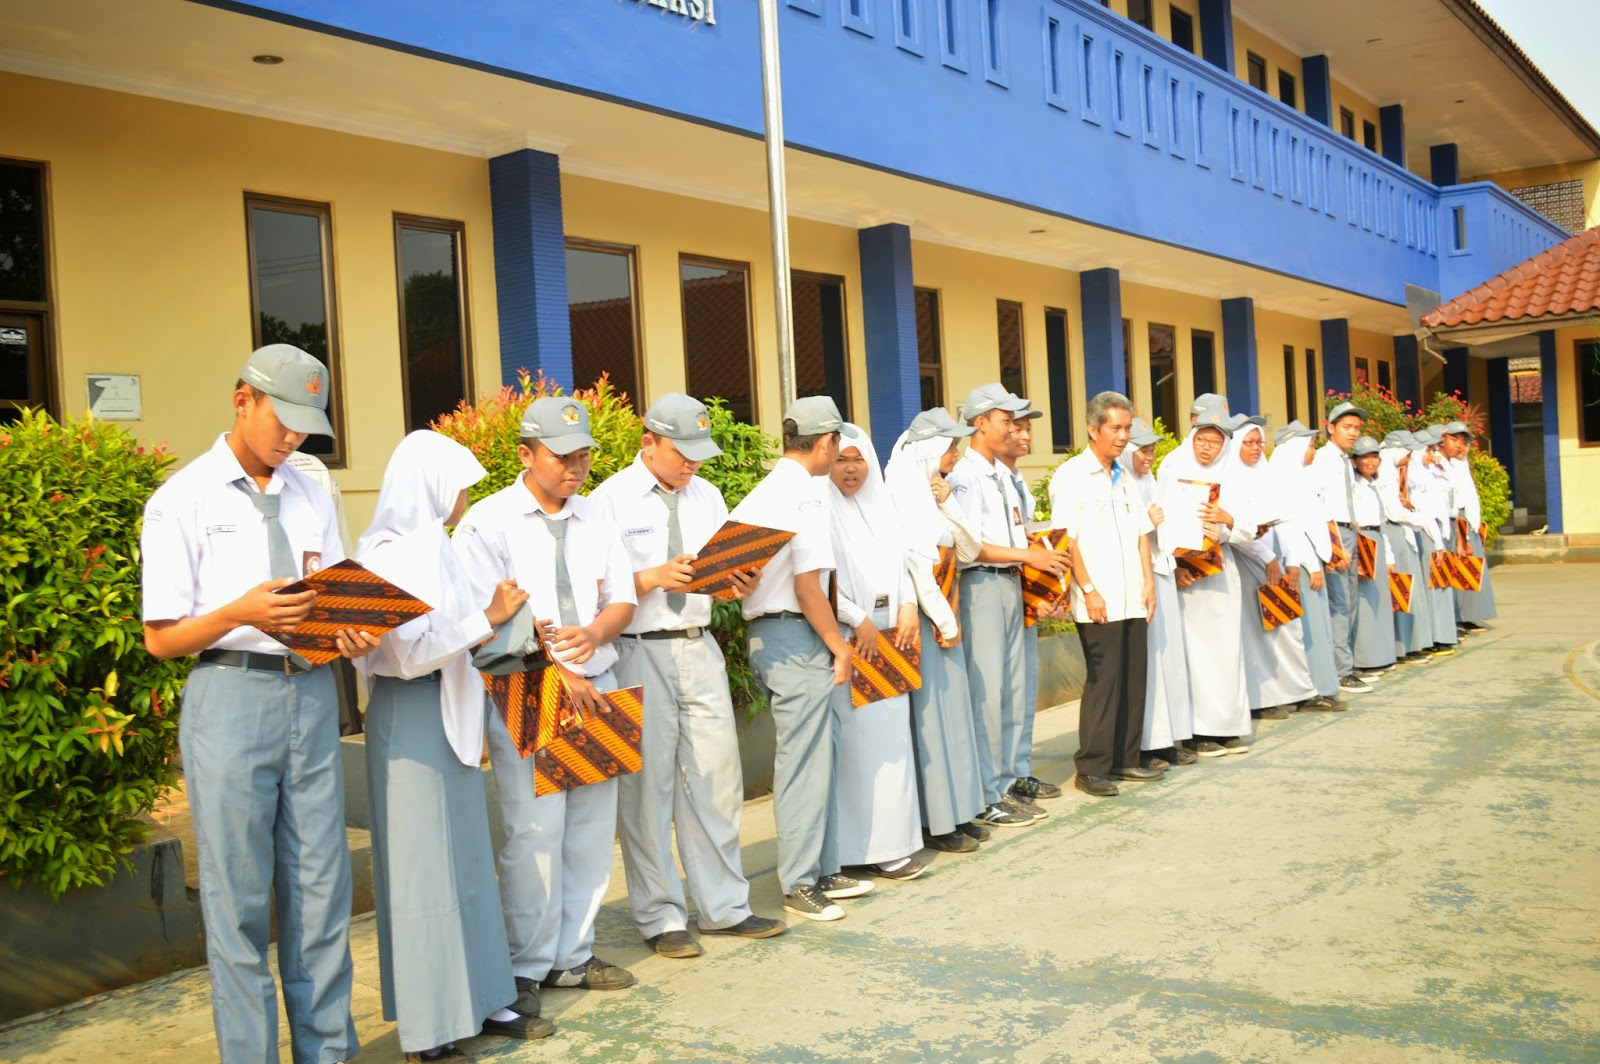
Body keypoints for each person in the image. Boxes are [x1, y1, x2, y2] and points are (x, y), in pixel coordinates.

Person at [140, 344, 379, 1063]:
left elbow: (329, 594)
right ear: (242, 400)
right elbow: (161, 638)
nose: (294, 438)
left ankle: (327, 1053)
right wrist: (241, 613)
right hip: (230, 696)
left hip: (310, 696)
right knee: (238, 904)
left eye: (308, 425)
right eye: (284, 418)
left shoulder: (311, 492)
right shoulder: (181, 499)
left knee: (320, 892)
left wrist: (352, 632)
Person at [355, 431, 551, 1058]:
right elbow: (406, 655)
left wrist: (512, 626)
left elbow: (463, 633)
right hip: (414, 713)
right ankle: (430, 1026)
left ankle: (482, 997)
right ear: (436, 487)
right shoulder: (387, 551)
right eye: (460, 485)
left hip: (452, 713)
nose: (466, 498)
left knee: (465, 864)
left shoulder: (435, 547)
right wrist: (489, 619)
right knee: (421, 877)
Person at [454, 396, 640, 1001]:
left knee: (589, 827)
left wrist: (596, 633)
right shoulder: (488, 522)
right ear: (525, 454)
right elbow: (485, 627)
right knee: (535, 831)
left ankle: (573, 955)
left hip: (599, 687)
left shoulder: (597, 518)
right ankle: (526, 967)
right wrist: (563, 675)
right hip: (526, 687)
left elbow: (621, 600)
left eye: (583, 454)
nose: (575, 467)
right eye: (562, 456)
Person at [587, 394, 786, 959]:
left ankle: (725, 907)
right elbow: (592, 586)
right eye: (681, 453)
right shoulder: (608, 501)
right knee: (648, 788)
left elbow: (713, 572)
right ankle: (660, 916)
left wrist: (734, 582)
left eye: (699, 454)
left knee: (717, 780)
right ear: (648, 441)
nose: (691, 464)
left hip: (698, 648)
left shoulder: (708, 495)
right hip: (634, 649)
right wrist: (650, 577)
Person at [733, 395, 866, 922]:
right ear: (829, 442)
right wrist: (839, 645)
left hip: (777, 633)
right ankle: (801, 881)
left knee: (818, 753)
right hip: (797, 633)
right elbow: (809, 586)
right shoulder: (807, 494)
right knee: (806, 761)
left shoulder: (768, 488)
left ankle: (821, 867)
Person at [948, 384, 1070, 825]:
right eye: (1007, 420)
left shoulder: (1000, 474)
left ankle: (1009, 778)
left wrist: (1042, 579)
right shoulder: (964, 476)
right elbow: (969, 548)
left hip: (1010, 584)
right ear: (980, 423)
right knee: (988, 693)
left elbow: (1018, 536)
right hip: (982, 586)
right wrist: (1029, 557)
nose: (1015, 427)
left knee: (1014, 689)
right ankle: (988, 791)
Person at [883, 409, 990, 853]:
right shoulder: (900, 492)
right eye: (949, 447)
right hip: (926, 620)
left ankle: (959, 812)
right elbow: (914, 565)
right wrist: (946, 622)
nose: (956, 454)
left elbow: (969, 548)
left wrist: (947, 500)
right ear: (927, 450)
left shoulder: (929, 493)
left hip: (946, 614)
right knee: (930, 723)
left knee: (954, 719)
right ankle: (937, 823)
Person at [826, 426, 928, 882]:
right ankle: (856, 850)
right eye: (842, 459)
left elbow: (904, 559)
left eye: (858, 459)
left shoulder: (879, 504)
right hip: (852, 639)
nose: (851, 469)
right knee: (859, 750)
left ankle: (894, 846)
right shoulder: (820, 508)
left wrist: (908, 605)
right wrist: (857, 619)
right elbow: (818, 581)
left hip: (892, 638)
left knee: (893, 745)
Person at [1048, 391, 1157, 796]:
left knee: (1133, 678)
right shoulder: (1072, 476)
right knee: (1104, 681)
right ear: (1093, 429)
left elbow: (1142, 533)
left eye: (1127, 428)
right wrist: (1089, 589)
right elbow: (1067, 541)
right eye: (1116, 428)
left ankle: (1126, 760)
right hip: (1100, 598)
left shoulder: (1125, 476)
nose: (1124, 436)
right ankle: (1092, 768)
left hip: (1133, 594)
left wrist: (1149, 582)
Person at [1156, 408, 1252, 756]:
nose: (1207, 448)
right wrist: (1175, 563)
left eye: (1215, 441)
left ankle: (1227, 725)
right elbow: (1161, 519)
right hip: (1187, 574)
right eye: (1201, 439)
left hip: (1220, 571)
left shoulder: (1234, 473)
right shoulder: (1173, 466)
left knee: (1226, 649)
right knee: (1195, 651)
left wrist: (1225, 521)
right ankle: (1199, 730)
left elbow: (1249, 527)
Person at [1229, 418, 1319, 721]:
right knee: (1257, 635)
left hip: (1274, 561)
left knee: (1287, 630)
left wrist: (1290, 559)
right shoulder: (1230, 477)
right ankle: (1261, 700)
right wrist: (1267, 556)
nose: (1256, 448)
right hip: (1248, 560)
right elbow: (1236, 529)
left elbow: (1287, 519)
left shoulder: (1263, 473)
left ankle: (1298, 692)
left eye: (1259, 442)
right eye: (1249, 443)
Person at [1122, 418, 1197, 768]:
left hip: (1162, 571)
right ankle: (1148, 742)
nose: (1149, 455)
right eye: (1143, 449)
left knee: (1170, 661)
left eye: (1152, 449)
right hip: (1140, 578)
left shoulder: (1147, 480)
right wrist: (1147, 522)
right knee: (1150, 663)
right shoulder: (1120, 483)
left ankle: (1170, 737)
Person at [998, 403, 1063, 805]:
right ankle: (1000, 779)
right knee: (1001, 692)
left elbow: (1027, 540)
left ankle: (1018, 771)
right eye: (1015, 427)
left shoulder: (1015, 478)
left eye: (1026, 430)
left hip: (1020, 590)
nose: (1023, 436)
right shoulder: (976, 477)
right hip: (993, 588)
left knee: (1023, 690)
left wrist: (1044, 593)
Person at [1266, 421, 1345, 710]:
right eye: (1310, 444)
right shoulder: (1283, 478)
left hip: (1308, 558)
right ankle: (1311, 690)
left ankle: (1323, 685)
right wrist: (1309, 565)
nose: (1314, 450)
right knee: (1307, 629)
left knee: (1319, 625)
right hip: (1296, 561)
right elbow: (1290, 526)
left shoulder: (1302, 476)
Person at [1311, 401, 1372, 696]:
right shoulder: (1323, 460)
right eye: (1347, 427)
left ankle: (1348, 664)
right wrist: (1335, 545)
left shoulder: (1345, 460)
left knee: (1350, 603)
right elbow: (1321, 505)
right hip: (1334, 534)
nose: (1353, 433)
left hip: (1350, 531)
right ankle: (1341, 670)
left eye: (1357, 428)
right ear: (1331, 428)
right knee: (1339, 604)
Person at [1378, 430, 1436, 665]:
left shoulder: (1392, 470)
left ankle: (1411, 644)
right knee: (1400, 590)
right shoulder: (1385, 471)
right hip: (1394, 532)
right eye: (1407, 454)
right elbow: (1392, 510)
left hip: (1402, 531)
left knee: (1409, 591)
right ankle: (1403, 648)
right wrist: (1420, 519)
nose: (1409, 459)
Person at [1441, 421, 1497, 631]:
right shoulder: (1441, 462)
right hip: (1455, 519)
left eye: (1463, 441)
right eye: (1454, 439)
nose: (1459, 446)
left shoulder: (1461, 462)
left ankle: (1468, 615)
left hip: (1468, 518)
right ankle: (1457, 617)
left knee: (1470, 568)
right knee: (1458, 568)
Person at [1350, 436, 1397, 675]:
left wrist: (1389, 557)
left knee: (1379, 603)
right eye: (1364, 457)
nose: (1370, 461)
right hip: (1362, 541)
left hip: (1377, 539)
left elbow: (1381, 523)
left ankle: (1382, 655)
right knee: (1364, 603)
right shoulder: (1353, 485)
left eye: (1374, 456)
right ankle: (1365, 659)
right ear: (1355, 460)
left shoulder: (1373, 485)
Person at [1414, 427, 1461, 657]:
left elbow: (1452, 492)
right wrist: (1439, 542)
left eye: (1434, 449)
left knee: (1440, 586)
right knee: (1433, 587)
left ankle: (1443, 634)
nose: (1433, 455)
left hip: (1439, 533)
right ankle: (1435, 637)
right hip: (1430, 535)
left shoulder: (1430, 471)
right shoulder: (1416, 474)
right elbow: (1426, 512)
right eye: (1429, 450)